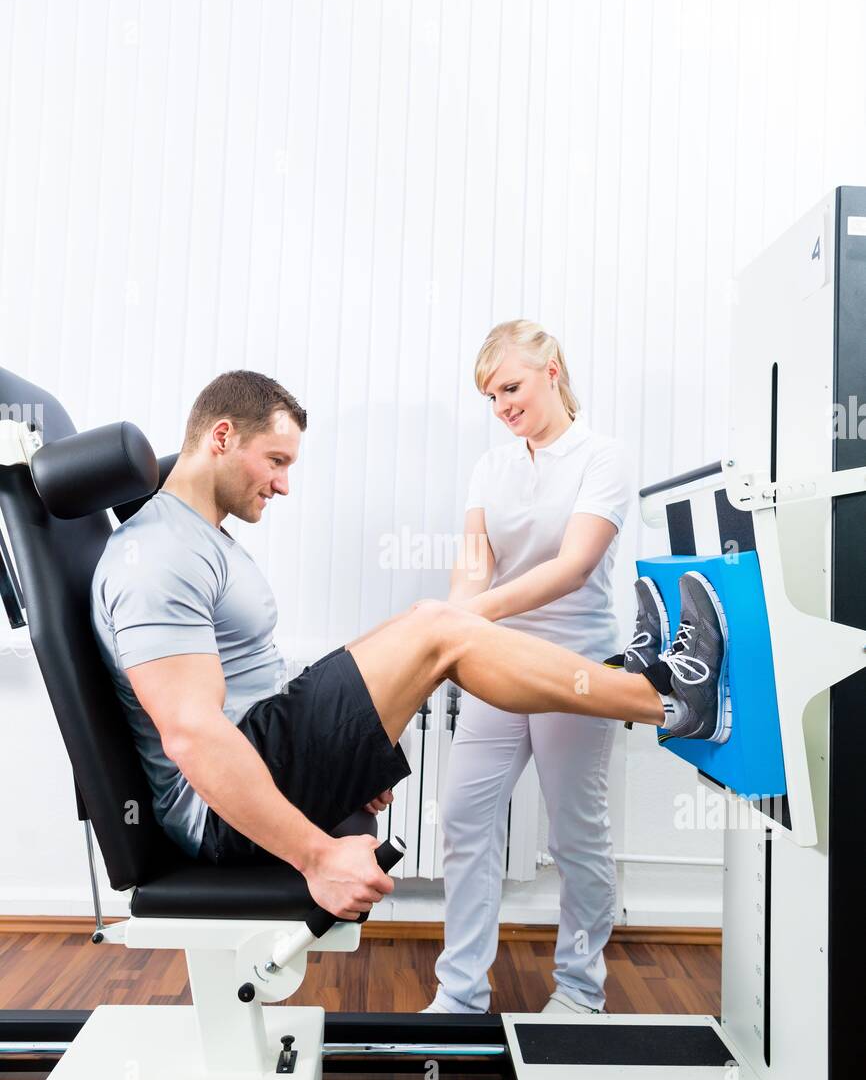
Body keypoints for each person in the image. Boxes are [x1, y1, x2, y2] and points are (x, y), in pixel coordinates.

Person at [90, 371, 731, 923]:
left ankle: (648, 681)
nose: (284, 485)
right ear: (222, 437)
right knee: (440, 630)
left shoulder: (197, 536)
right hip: (219, 816)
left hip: (266, 742)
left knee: (430, 618)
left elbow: (251, 688)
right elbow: (192, 736)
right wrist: (316, 857)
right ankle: (666, 700)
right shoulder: (157, 557)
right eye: (276, 461)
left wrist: (349, 752)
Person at [422, 319, 631, 1016]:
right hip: (500, 661)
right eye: (490, 396)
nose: (502, 405)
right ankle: (460, 991)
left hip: (575, 665)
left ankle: (579, 990)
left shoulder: (602, 458)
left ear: (551, 370)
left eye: (509, 387)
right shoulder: (494, 466)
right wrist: (456, 621)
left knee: (575, 828)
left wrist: (469, 620)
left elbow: (573, 568)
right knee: (463, 816)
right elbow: (475, 564)